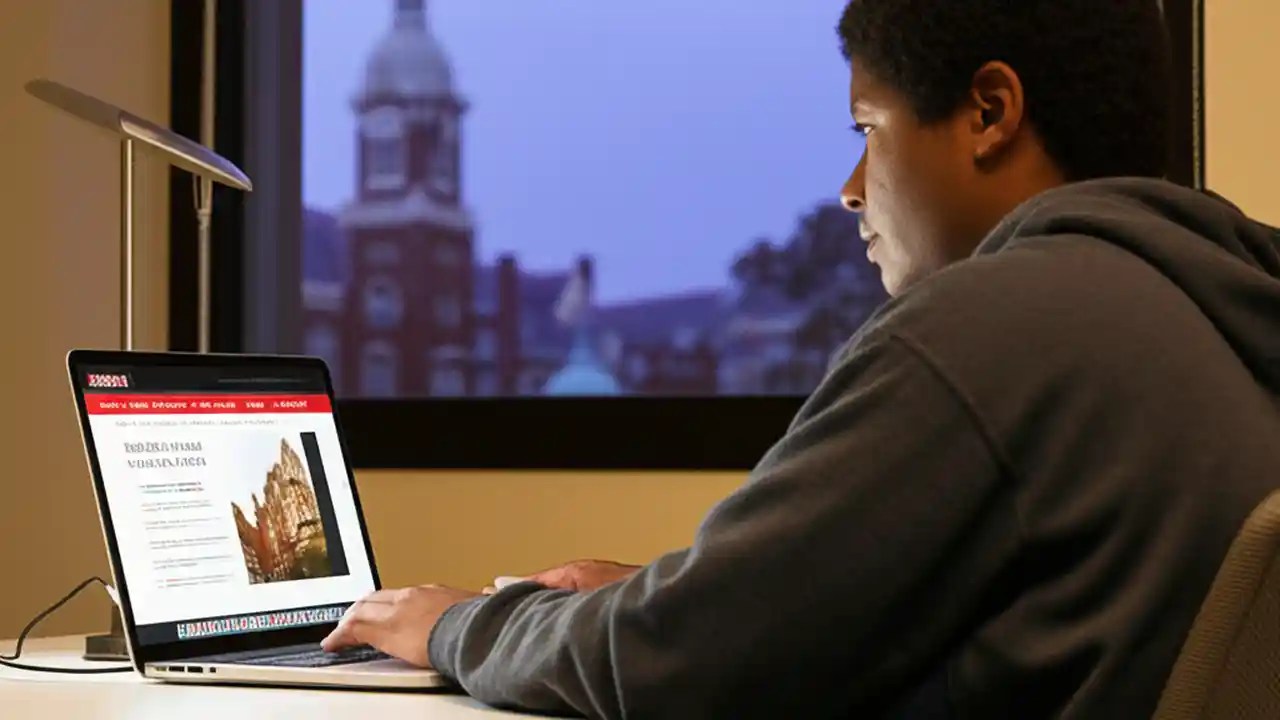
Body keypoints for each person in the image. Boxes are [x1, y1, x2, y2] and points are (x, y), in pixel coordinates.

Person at [323, 1, 1280, 717]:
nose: (851, 188)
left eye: (869, 131)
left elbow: (670, 662)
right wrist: (696, 588)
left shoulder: (992, 330)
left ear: (989, 112)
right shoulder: (1207, 304)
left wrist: (453, 627)